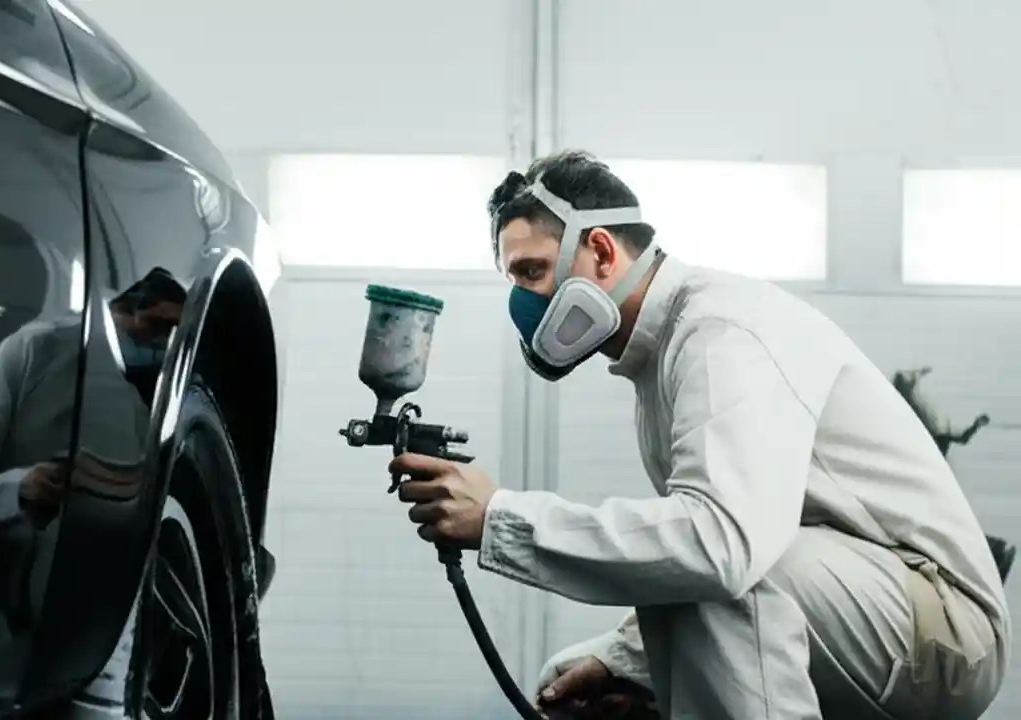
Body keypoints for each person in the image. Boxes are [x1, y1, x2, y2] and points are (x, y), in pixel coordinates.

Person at [390, 150, 1009, 719]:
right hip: (868, 609)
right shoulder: (657, 360)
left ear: (602, 252)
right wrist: (624, 661)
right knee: (582, 676)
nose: (523, 302)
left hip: (944, 627)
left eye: (532, 272)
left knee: (716, 564)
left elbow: (721, 550)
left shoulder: (720, 333)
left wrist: (499, 518)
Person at [0, 267, 185, 717]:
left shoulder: (158, 411)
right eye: (156, 326)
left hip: (97, 676)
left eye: (174, 336)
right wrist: (18, 491)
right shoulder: (35, 351)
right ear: (121, 309)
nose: (161, 346)